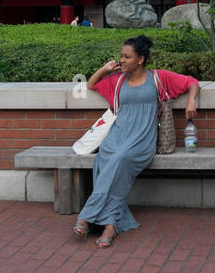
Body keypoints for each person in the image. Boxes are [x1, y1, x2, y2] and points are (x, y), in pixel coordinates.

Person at [77, 35, 199, 248]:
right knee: (109, 158)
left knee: (121, 159)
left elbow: (192, 82)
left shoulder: (158, 78)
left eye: (127, 57)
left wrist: (191, 100)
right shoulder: (117, 80)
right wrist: (106, 69)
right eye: (121, 56)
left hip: (142, 140)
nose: (122, 60)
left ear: (140, 59)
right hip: (116, 137)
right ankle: (111, 225)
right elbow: (91, 84)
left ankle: (88, 216)